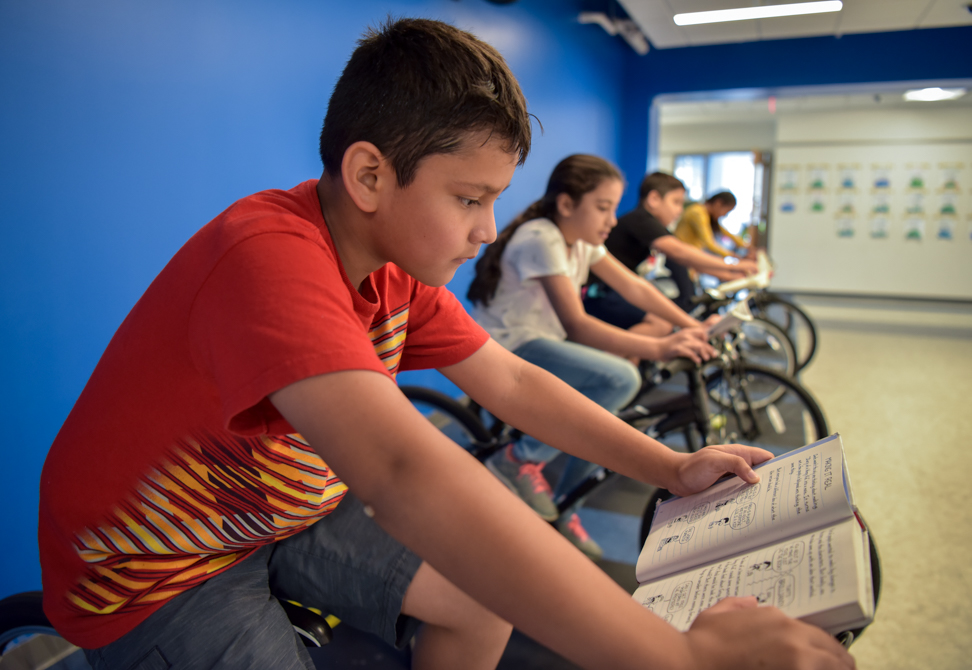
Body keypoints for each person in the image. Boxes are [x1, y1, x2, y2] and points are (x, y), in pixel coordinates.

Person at [37, 18, 856, 670]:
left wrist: (669, 466)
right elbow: (401, 474)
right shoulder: (267, 257)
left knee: (482, 594)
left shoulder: (395, 271)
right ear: (369, 177)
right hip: (157, 571)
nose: (487, 229)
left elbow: (513, 383)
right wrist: (673, 658)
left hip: (274, 515)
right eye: (469, 198)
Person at [468, 155, 717, 560]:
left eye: (613, 209)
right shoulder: (541, 236)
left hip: (542, 343)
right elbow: (578, 324)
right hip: (507, 346)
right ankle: (518, 458)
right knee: (620, 380)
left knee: (605, 417)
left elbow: (636, 287)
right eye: (603, 208)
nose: (613, 220)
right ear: (567, 205)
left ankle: (567, 503)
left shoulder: (583, 242)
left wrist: (690, 325)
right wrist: (661, 346)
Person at [585, 173, 757, 316]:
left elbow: (685, 259)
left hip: (616, 287)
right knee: (663, 320)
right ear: (654, 199)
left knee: (672, 311)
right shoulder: (641, 220)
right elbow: (681, 253)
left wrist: (729, 272)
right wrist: (736, 264)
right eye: (676, 202)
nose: (680, 211)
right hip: (601, 292)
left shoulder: (651, 224)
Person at [675, 191, 751, 260]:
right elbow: (708, 242)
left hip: (688, 256)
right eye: (726, 211)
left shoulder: (705, 214)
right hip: (681, 256)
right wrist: (732, 255)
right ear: (718, 203)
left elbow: (726, 232)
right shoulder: (698, 213)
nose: (724, 215)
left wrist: (746, 246)